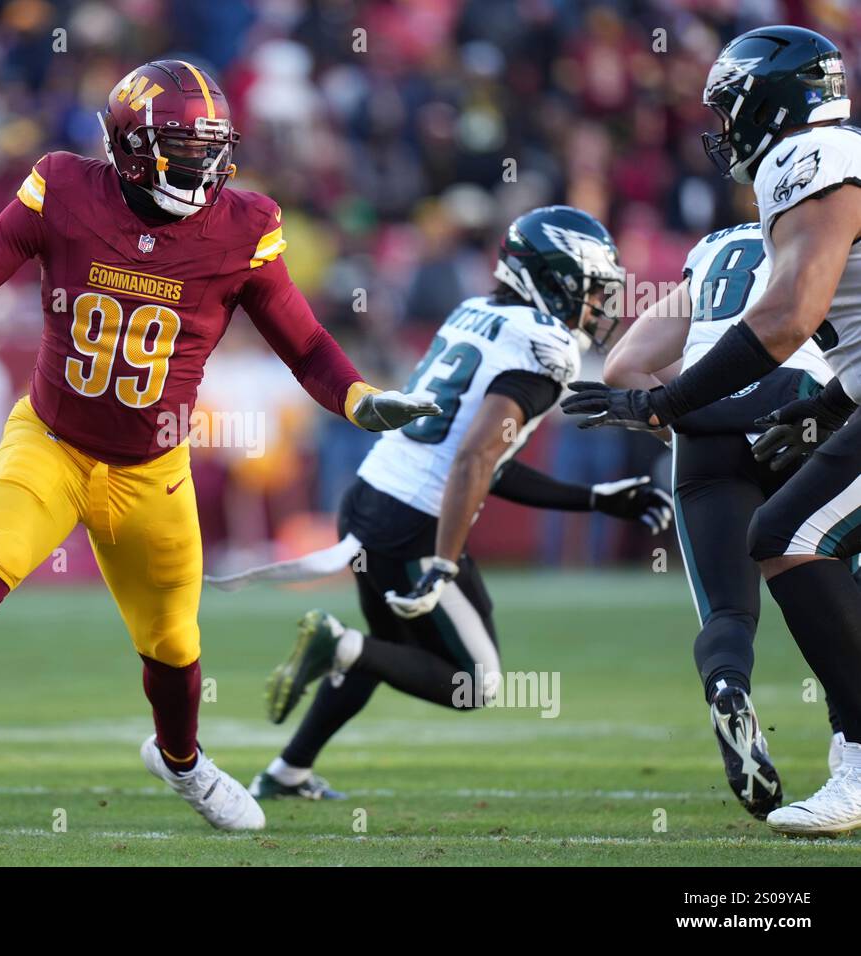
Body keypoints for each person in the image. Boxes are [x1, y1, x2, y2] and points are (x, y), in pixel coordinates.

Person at [0, 60, 440, 831]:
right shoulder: (65, 189)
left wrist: (359, 399)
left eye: (214, 145)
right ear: (133, 147)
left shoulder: (244, 225)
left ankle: (182, 761)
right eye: (186, 146)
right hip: (50, 443)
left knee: (174, 645)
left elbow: (305, 345)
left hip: (152, 471)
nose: (206, 164)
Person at [208, 207, 672, 800]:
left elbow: (481, 458)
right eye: (588, 288)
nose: (596, 305)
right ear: (550, 278)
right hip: (415, 525)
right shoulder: (543, 347)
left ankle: (287, 771)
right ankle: (338, 643)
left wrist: (593, 498)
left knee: (387, 653)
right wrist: (444, 561)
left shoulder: (474, 313)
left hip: (373, 499)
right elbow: (474, 460)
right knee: (475, 683)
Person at [562, 26, 861, 835]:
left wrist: (668, 404)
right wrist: (824, 408)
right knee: (794, 537)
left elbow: (787, 315)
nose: (725, 125)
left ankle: (856, 754)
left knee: (786, 539)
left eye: (732, 105)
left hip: (714, 433)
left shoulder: (816, 160)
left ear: (775, 100)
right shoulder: (817, 173)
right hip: (828, 399)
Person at [604, 221, 842, 817]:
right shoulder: (832, 221)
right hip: (804, 406)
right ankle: (850, 750)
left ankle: (729, 690)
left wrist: (681, 430)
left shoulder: (713, 248)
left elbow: (624, 366)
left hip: (704, 417)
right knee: (841, 592)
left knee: (728, 611)